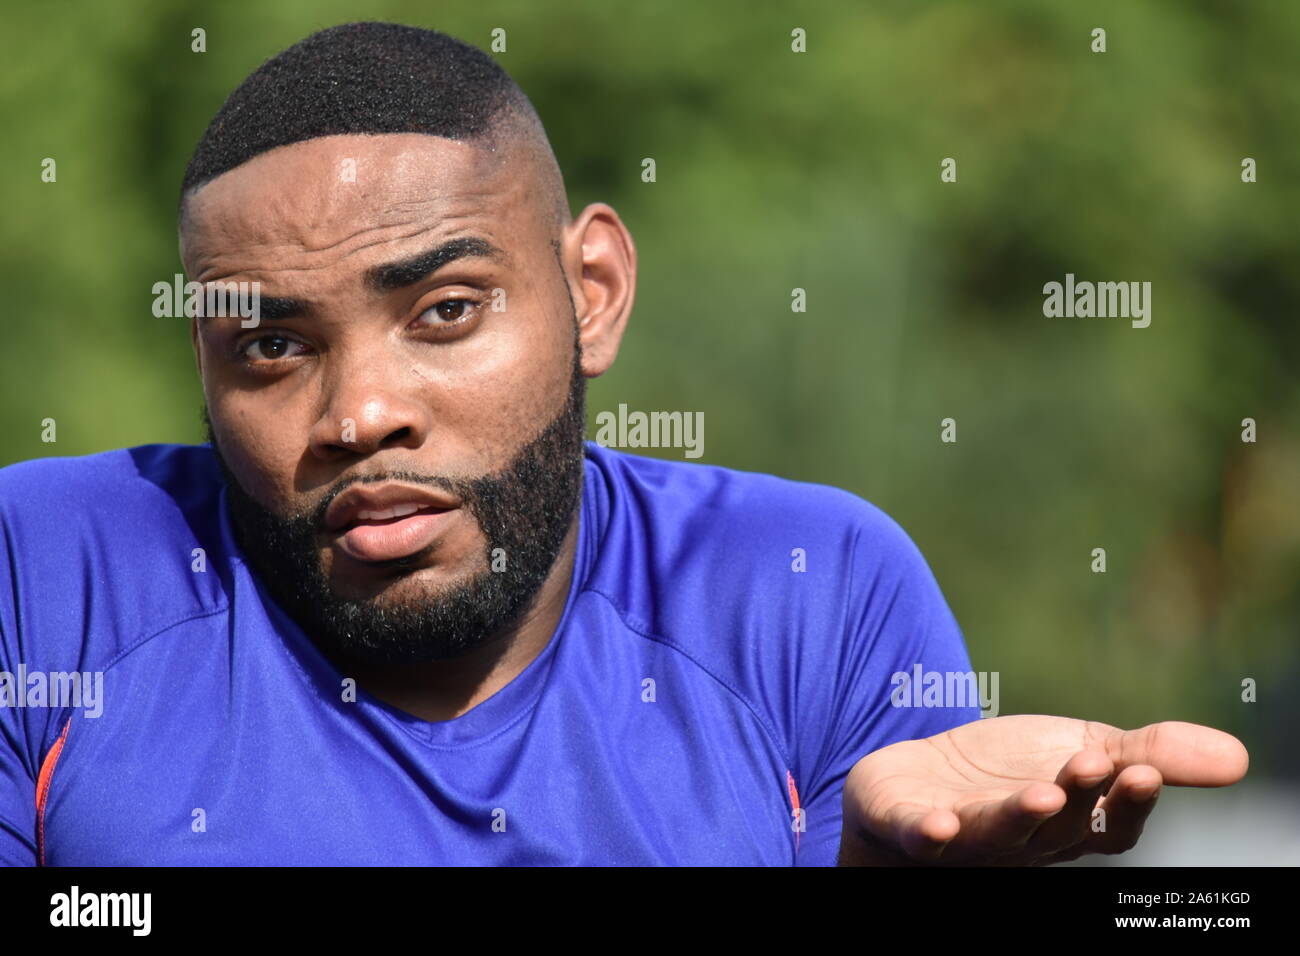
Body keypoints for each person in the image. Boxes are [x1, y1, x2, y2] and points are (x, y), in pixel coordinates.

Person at [0, 22, 1246, 866]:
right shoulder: (49, 578)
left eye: (444, 310)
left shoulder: (809, 592)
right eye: (270, 345)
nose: (358, 412)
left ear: (590, 291)